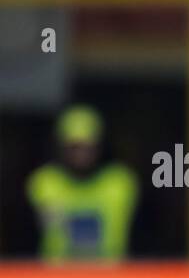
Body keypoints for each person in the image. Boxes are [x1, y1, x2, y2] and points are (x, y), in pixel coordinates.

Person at [27, 105, 137, 261]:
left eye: (88, 147)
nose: (81, 154)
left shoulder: (120, 182)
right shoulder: (44, 182)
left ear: (100, 146)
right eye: (74, 147)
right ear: (61, 147)